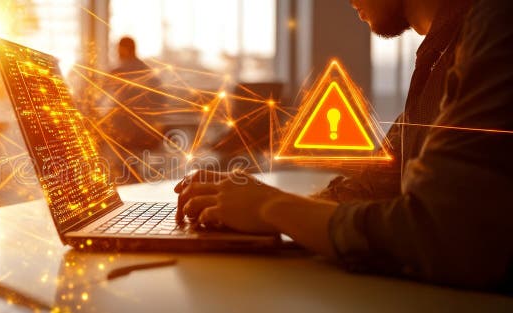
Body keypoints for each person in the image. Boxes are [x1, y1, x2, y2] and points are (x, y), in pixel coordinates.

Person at [175, 0, 513, 290]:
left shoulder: (496, 23)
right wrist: (249, 205)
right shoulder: (441, 53)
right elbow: (377, 186)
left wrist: (272, 208)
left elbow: (446, 232)